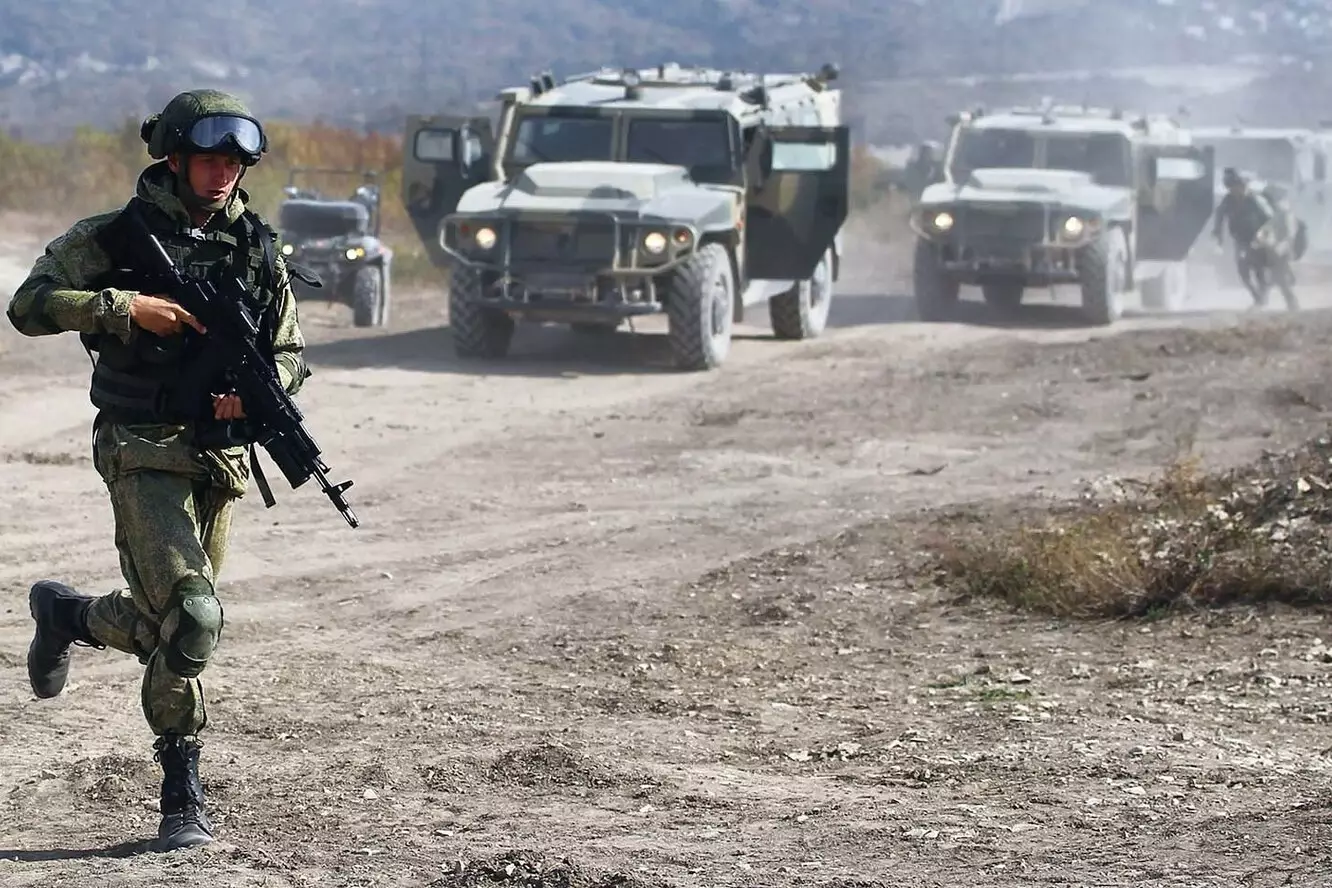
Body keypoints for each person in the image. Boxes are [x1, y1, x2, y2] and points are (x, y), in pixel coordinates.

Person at [5, 89, 310, 852]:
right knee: (196, 616)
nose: (221, 175)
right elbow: (28, 305)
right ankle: (181, 794)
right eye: (208, 159)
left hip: (218, 456)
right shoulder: (114, 235)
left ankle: (70, 616)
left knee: (166, 624)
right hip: (140, 443)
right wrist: (123, 306)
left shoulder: (259, 250)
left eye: (234, 163)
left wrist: (262, 396)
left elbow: (291, 352)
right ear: (173, 158)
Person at [1210, 166, 1277, 307]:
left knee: (1259, 269)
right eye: (1230, 188)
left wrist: (1265, 237)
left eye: (1235, 187)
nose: (1233, 190)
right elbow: (1219, 216)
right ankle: (1257, 296)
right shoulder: (1228, 200)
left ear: (1241, 185)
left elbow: (1270, 218)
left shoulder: (1254, 200)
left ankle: (1262, 297)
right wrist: (1218, 233)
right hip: (1240, 239)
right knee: (1243, 271)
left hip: (1258, 238)